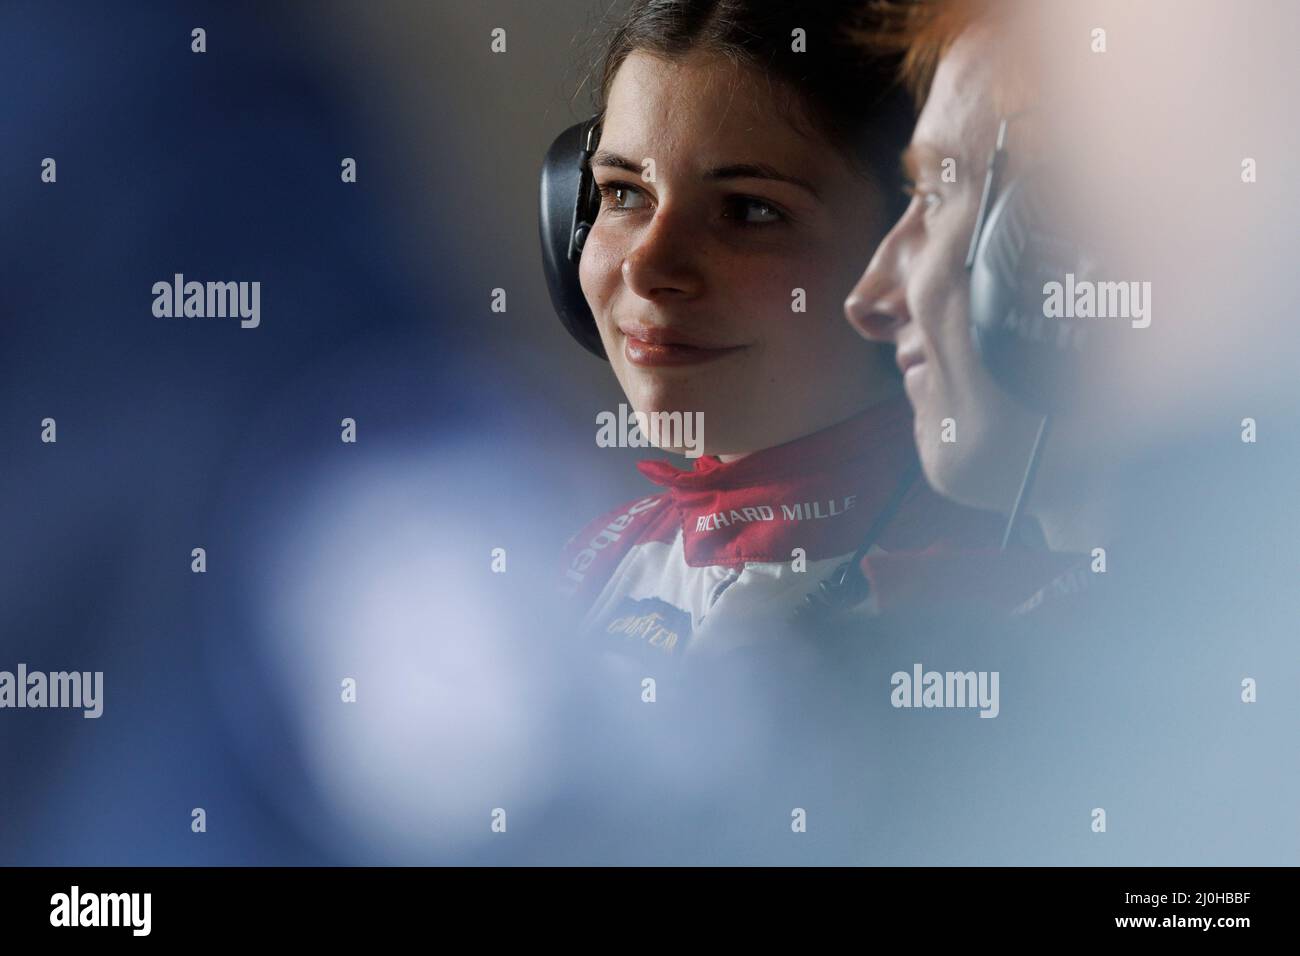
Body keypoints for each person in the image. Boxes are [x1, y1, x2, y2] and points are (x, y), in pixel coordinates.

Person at [557, 0, 1005, 665]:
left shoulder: (998, 612)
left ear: (913, 248)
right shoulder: (591, 567)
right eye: (623, 194)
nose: (648, 268)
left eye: (749, 210)